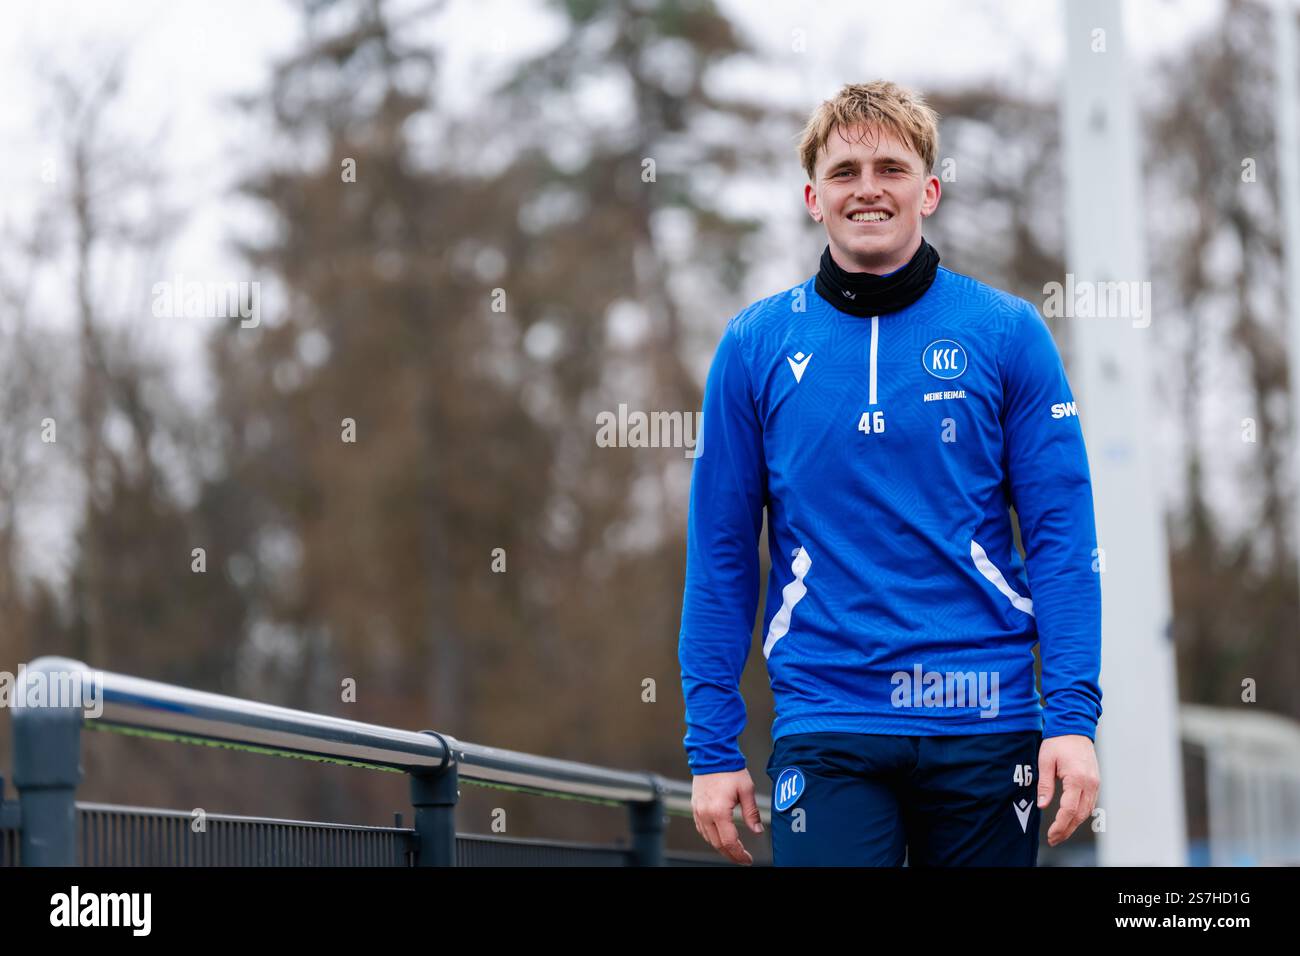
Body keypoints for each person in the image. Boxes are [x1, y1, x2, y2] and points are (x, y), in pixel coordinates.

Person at [678, 80, 1102, 866]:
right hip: (828, 718)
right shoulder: (753, 344)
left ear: (928, 190)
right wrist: (712, 746)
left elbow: (1062, 540)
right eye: (844, 172)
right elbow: (722, 558)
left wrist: (1073, 719)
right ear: (813, 197)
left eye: (890, 168)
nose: (867, 188)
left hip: (986, 714)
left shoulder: (1006, 332)